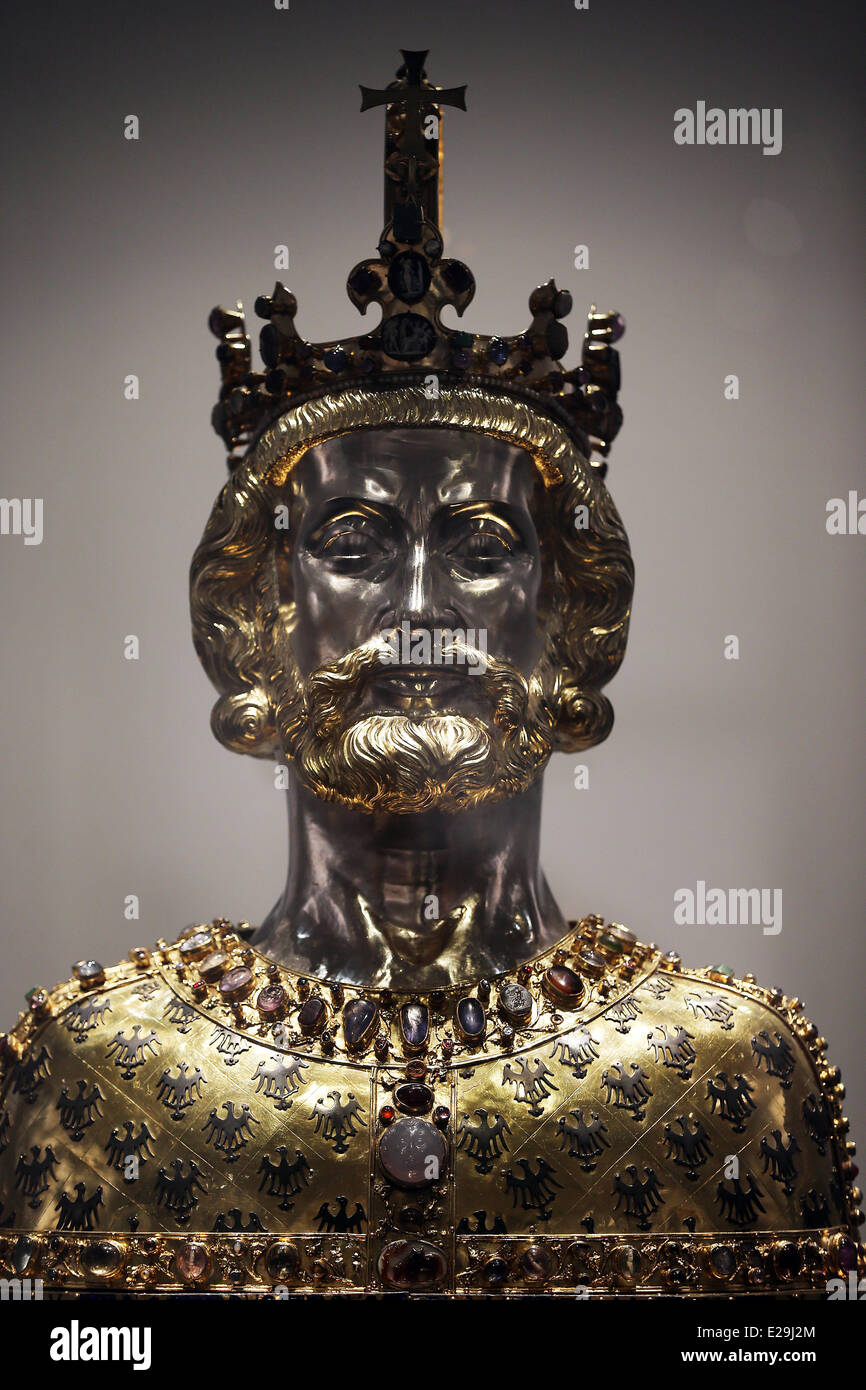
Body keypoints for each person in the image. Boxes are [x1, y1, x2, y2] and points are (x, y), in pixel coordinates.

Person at [0, 51, 859, 1297]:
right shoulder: (95, 1074)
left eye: (479, 548)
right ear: (253, 616)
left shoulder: (730, 1078)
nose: (416, 609)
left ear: (570, 620)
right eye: (352, 547)